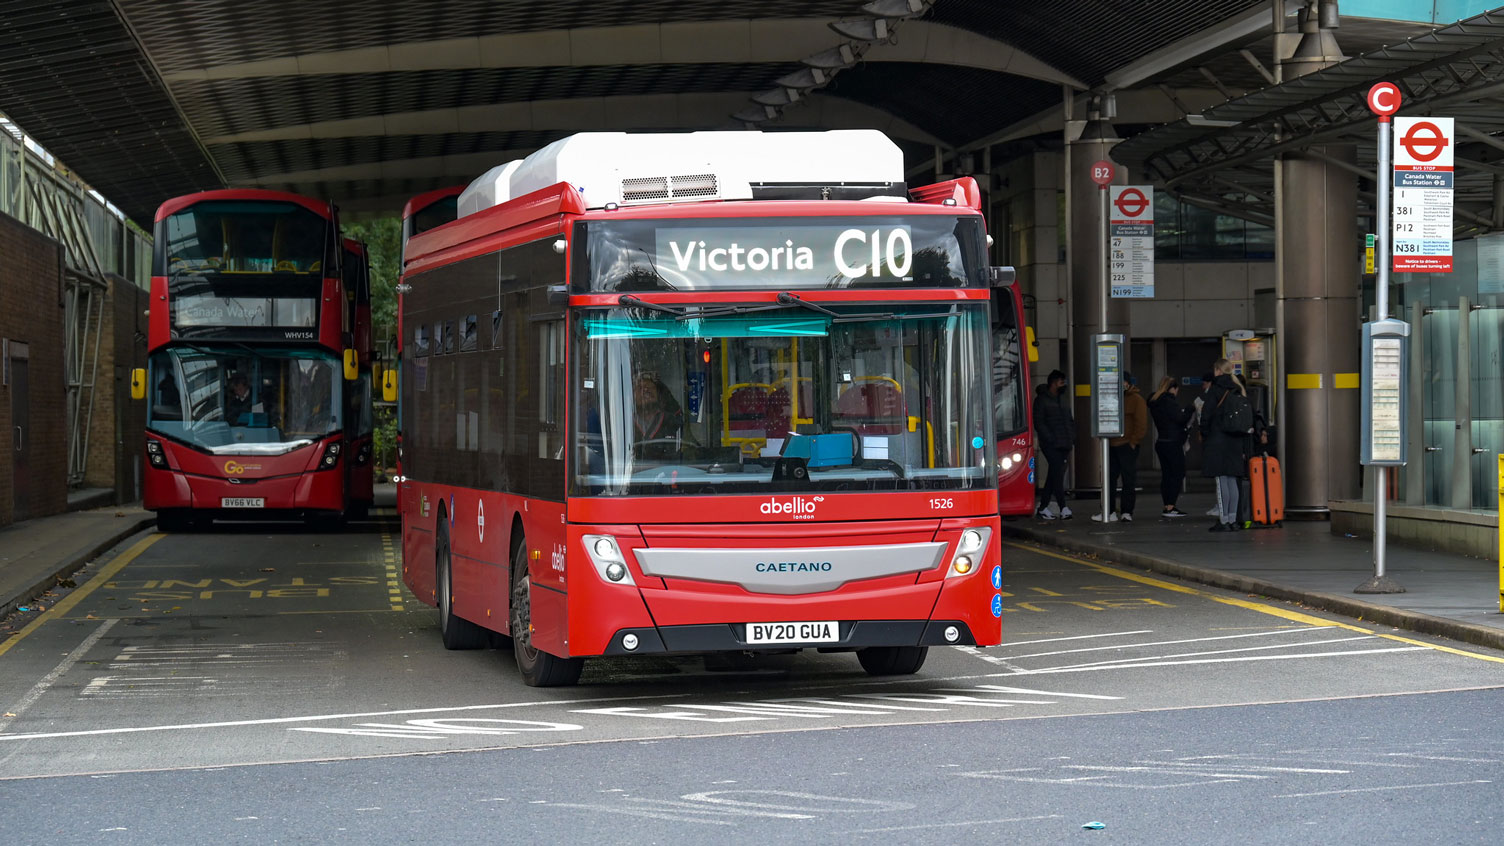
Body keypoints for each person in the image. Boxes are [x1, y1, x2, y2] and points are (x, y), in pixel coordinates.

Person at [1200, 359, 1251, 532]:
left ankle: (1223, 520)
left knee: (1222, 482)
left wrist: (1205, 434)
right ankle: (1233, 520)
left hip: (1218, 440)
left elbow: (1206, 415)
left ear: (1217, 371)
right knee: (1232, 481)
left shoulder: (1216, 389)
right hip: (1235, 441)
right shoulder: (1238, 389)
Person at [1096, 371, 1148, 522]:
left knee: (1128, 479)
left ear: (1128, 383)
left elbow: (1141, 424)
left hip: (1127, 445)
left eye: (1123, 382)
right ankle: (1109, 510)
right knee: (1109, 479)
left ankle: (1126, 511)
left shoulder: (1137, 400)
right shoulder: (1110, 398)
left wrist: (1133, 442)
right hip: (1111, 444)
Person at [1032, 369, 1075, 520]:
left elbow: (1069, 420)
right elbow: (1039, 422)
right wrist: (1050, 438)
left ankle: (1043, 507)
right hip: (1051, 444)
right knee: (1057, 474)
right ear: (1053, 383)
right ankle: (1063, 507)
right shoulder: (1042, 400)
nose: (1064, 385)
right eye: (1061, 382)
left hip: (1064, 442)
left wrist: (1071, 437)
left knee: (1054, 474)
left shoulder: (1062, 399)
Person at [1149, 376, 1194, 517]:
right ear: (1173, 389)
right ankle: (1170, 506)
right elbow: (1180, 419)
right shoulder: (1169, 402)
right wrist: (1189, 408)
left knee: (1167, 475)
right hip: (1172, 443)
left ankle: (1166, 505)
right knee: (1178, 473)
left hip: (1161, 442)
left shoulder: (1155, 402)